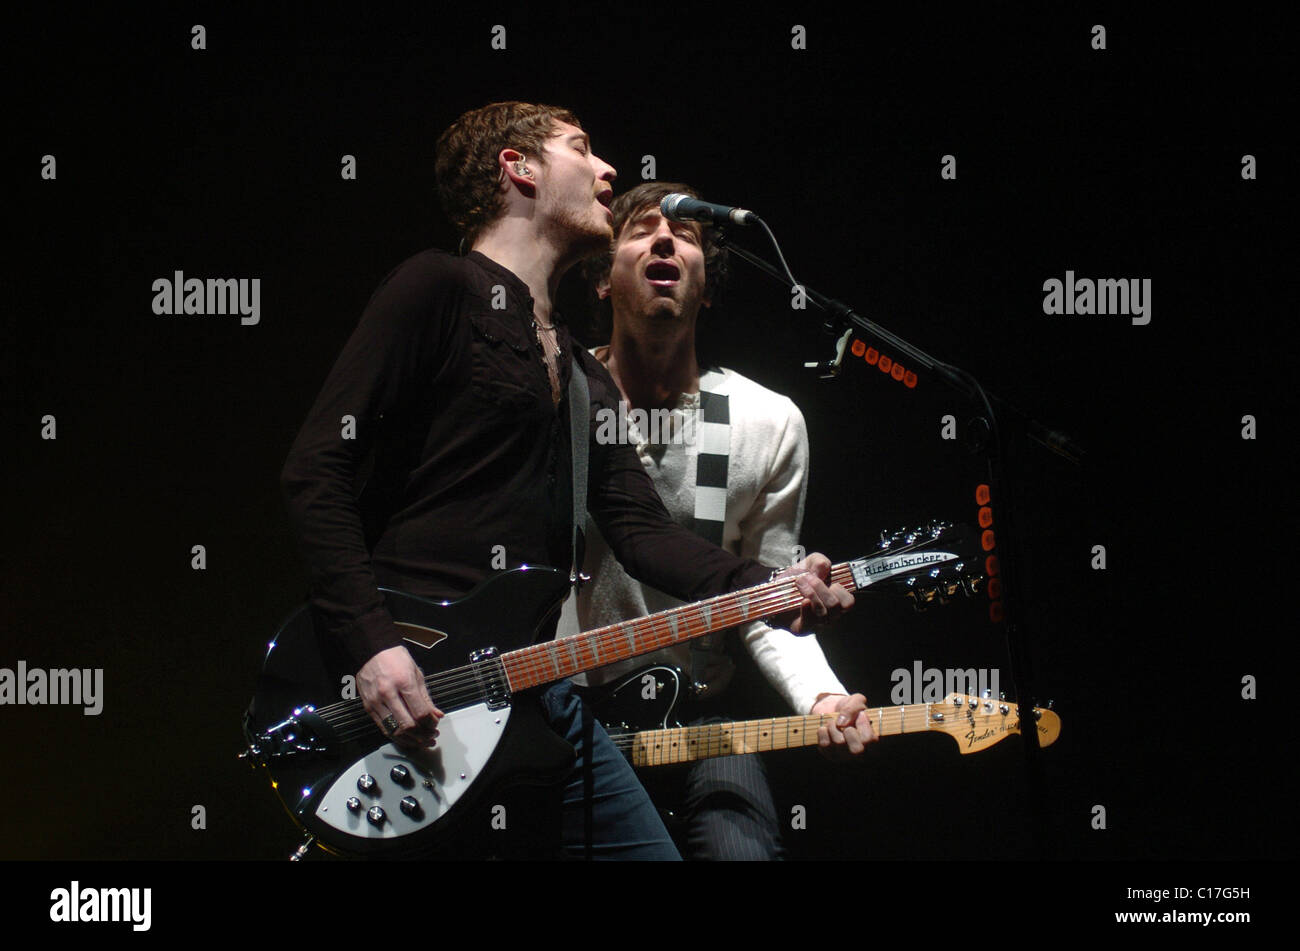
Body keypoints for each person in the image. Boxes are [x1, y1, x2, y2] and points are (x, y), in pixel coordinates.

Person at [279, 102, 854, 859]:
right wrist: (372, 642)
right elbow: (316, 470)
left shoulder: (585, 377)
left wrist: (769, 585)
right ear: (518, 168)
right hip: (416, 672)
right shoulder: (435, 288)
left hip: (532, 688)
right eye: (581, 148)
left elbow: (644, 534)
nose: (609, 170)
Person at [560, 181, 877, 860]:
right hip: (563, 720)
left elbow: (770, 599)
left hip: (700, 716)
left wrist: (821, 696)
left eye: (687, 235)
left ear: (707, 288)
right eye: (639, 229)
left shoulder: (769, 422)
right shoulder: (553, 398)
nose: (665, 239)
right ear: (600, 280)